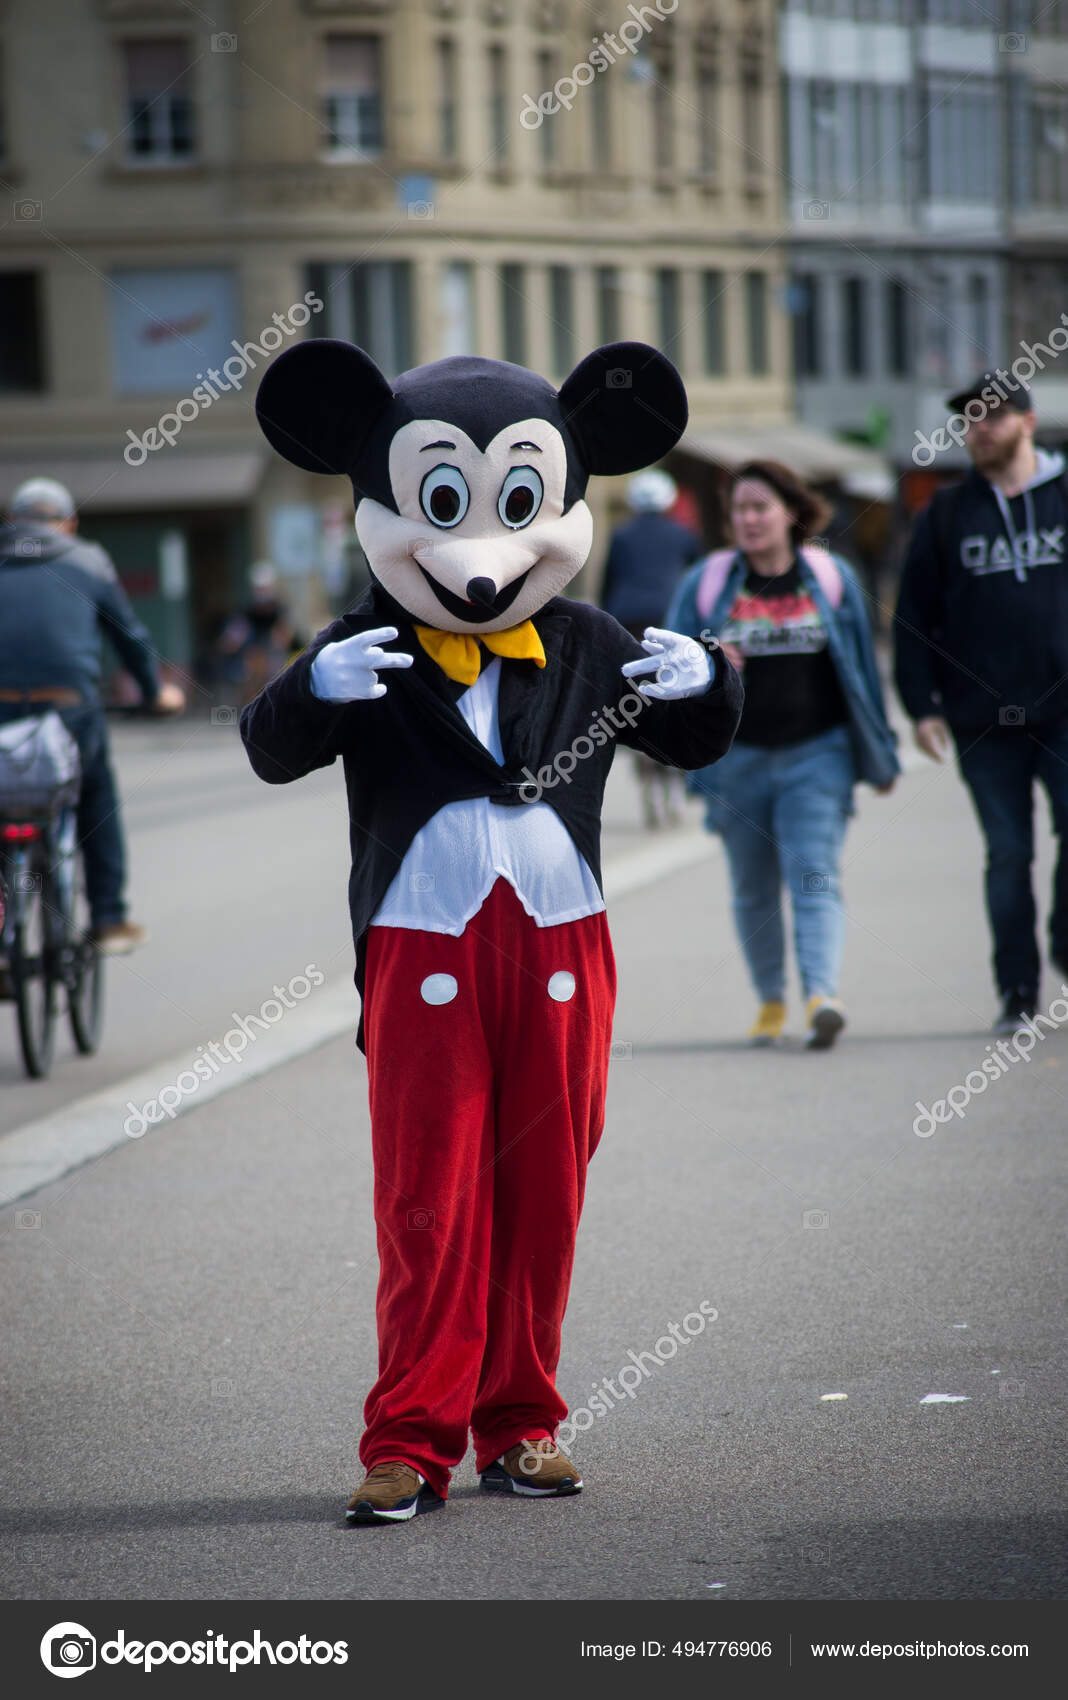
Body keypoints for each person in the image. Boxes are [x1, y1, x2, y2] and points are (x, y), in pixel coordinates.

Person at [242, 335, 742, 1524]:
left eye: (518, 501)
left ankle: (523, 1422)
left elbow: (693, 739)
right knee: (428, 1195)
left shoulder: (581, 638)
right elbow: (270, 747)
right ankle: (410, 1436)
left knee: (544, 1190)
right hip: (424, 947)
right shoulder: (367, 643)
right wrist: (310, 689)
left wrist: (710, 675)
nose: (477, 555)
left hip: (564, 945)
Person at [668, 460, 899, 1048]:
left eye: (760, 507)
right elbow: (666, 664)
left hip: (818, 755)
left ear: (791, 513)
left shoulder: (829, 577)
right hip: (734, 760)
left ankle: (822, 994)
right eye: (738, 509)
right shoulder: (709, 582)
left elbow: (863, 669)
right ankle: (771, 1000)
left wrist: (882, 751)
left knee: (815, 875)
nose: (747, 519)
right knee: (752, 888)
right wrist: (707, 658)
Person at [894, 373, 1068, 1033]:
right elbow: (914, 616)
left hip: (1065, 708)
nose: (976, 429)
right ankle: (1018, 992)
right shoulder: (945, 513)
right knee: (1008, 853)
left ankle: (1064, 938)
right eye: (968, 419)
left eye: (990, 417)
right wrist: (922, 705)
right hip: (981, 717)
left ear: (1025, 421)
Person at [0, 478, 184, 951]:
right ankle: (108, 920)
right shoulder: (88, 559)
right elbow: (131, 638)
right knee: (94, 788)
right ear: (70, 523)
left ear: (11, 520)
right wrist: (154, 693)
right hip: (67, 709)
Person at [600, 469, 704, 828]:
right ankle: (674, 775)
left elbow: (607, 583)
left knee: (635, 701)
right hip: (670, 622)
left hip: (627, 624)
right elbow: (697, 582)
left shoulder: (621, 535)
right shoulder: (683, 534)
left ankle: (647, 774)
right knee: (677, 698)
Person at [216, 562, 302, 706]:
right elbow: (228, 642)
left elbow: (290, 640)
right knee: (252, 663)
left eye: (265, 588)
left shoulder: (281, 613)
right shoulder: (246, 614)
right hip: (250, 665)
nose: (262, 593)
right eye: (259, 589)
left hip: (278, 661)